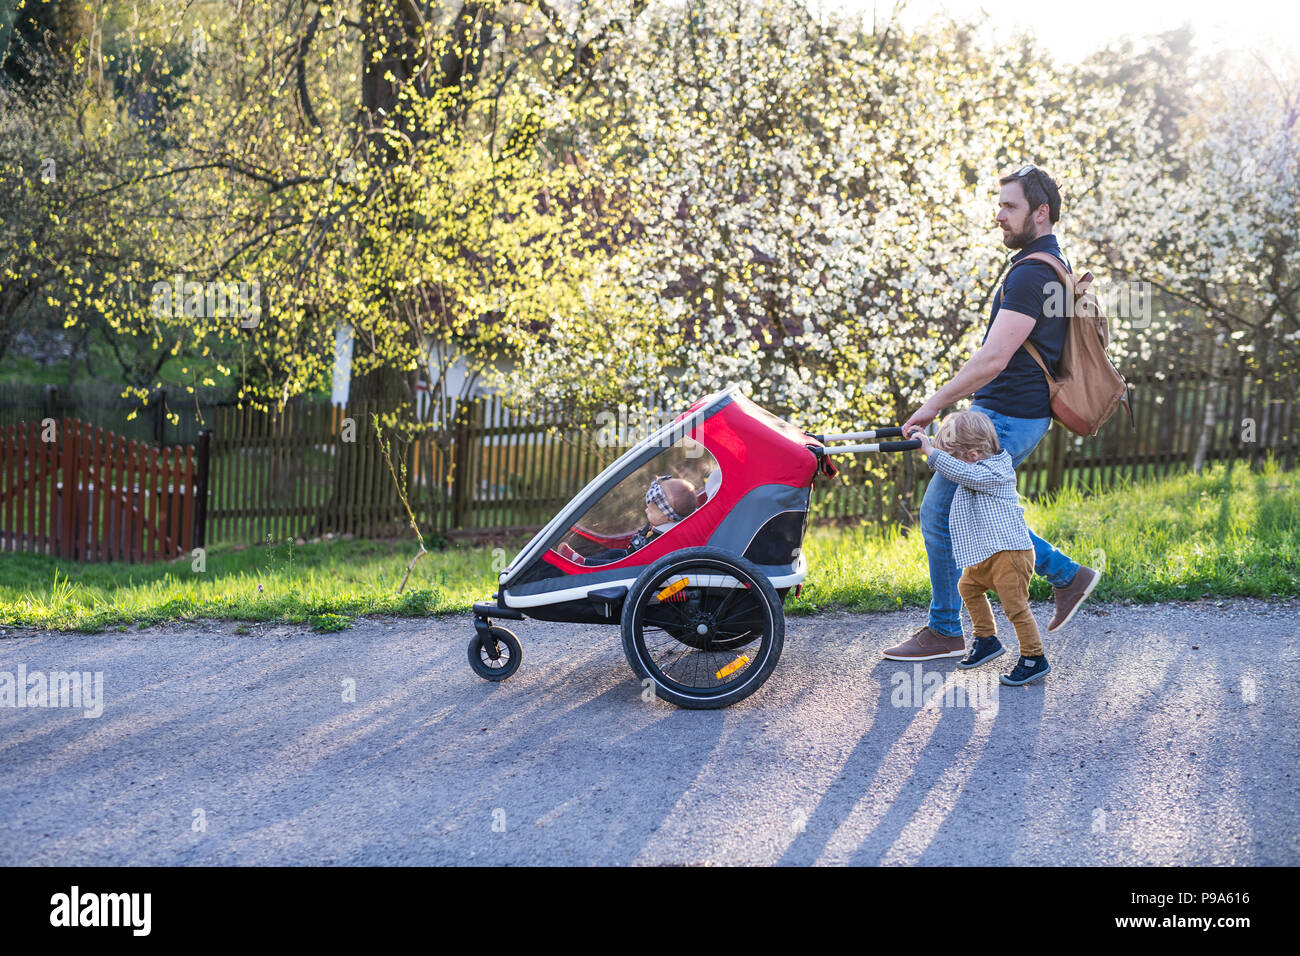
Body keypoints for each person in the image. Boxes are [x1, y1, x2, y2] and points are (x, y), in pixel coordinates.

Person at [883, 164, 1100, 663]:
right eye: (999, 204)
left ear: (1040, 213)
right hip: (1007, 414)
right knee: (978, 513)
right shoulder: (1047, 263)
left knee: (940, 514)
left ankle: (944, 629)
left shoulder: (1030, 273)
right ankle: (1066, 575)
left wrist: (934, 405)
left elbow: (993, 358)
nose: (998, 215)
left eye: (1010, 206)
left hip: (1007, 417)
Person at [914, 411, 1050, 685]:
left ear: (973, 454)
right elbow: (959, 469)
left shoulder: (996, 470)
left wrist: (930, 451)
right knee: (968, 588)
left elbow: (961, 472)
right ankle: (986, 638)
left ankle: (1034, 658)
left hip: (1010, 555)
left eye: (953, 457)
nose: (951, 464)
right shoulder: (974, 467)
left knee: (1016, 608)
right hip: (986, 555)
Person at [583, 475, 697, 565]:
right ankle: (584, 560)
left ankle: (585, 564)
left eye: (651, 511)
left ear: (668, 518)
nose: (646, 511)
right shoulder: (663, 524)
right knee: (613, 553)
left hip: (634, 567)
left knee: (614, 563)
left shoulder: (663, 538)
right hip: (632, 555)